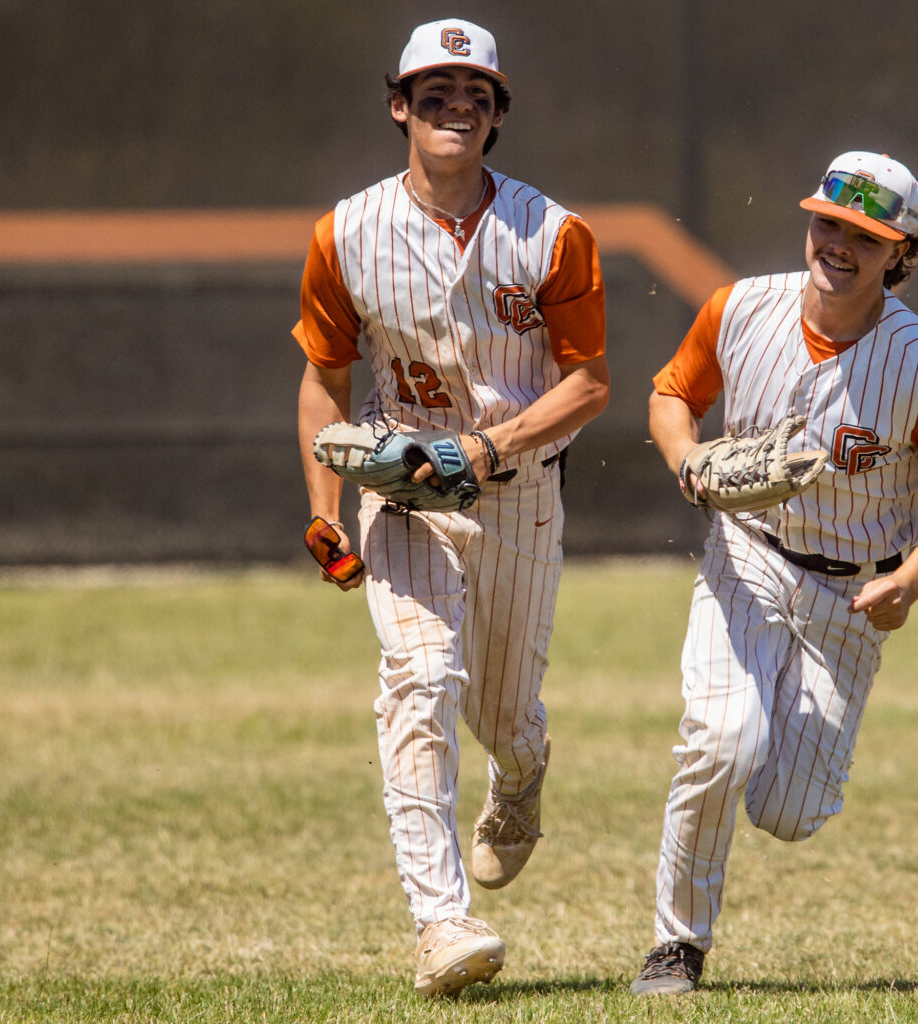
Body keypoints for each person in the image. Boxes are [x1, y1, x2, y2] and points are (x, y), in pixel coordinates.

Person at [631, 151, 918, 995]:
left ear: (900, 253)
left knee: (789, 813)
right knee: (721, 740)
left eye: (864, 237)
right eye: (828, 223)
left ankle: (769, 761)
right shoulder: (739, 307)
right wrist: (688, 461)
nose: (838, 245)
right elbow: (671, 395)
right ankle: (676, 947)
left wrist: (914, 578)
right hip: (747, 554)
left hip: (851, 593)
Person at [292, 18, 609, 998]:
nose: (456, 103)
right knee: (420, 679)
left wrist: (486, 446)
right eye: (435, 88)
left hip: (519, 494)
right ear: (400, 105)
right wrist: (325, 513)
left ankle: (522, 774)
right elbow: (324, 380)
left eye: (476, 91)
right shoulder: (347, 232)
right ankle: (440, 922)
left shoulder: (552, 232)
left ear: (498, 113)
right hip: (405, 495)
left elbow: (589, 384)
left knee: (504, 716)